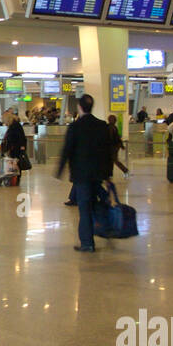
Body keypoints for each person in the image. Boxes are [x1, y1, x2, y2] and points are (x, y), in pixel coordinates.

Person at [56, 94, 115, 253]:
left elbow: (67, 150)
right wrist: (108, 174)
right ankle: (107, 228)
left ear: (80, 107)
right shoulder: (102, 125)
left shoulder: (75, 127)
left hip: (81, 176)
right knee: (97, 203)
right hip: (98, 175)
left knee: (84, 208)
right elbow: (108, 152)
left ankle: (87, 243)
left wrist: (59, 170)